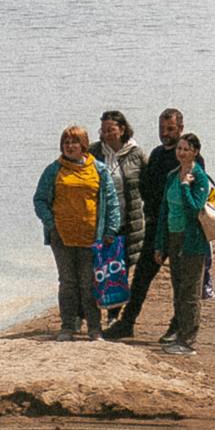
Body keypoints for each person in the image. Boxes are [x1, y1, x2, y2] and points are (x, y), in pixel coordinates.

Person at [34, 122, 120, 342]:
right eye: (66, 142)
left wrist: (111, 230)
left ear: (84, 146)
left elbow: (112, 202)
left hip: (92, 237)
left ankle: (94, 329)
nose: (69, 146)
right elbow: (40, 200)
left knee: (89, 283)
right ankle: (67, 327)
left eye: (74, 142)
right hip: (61, 237)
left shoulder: (98, 170)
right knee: (68, 283)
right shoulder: (54, 169)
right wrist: (51, 223)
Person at [106, 107, 185, 342]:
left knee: (181, 281)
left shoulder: (187, 153)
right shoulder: (157, 153)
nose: (165, 133)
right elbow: (146, 186)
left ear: (180, 128)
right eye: (162, 129)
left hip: (179, 227)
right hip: (154, 226)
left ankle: (178, 327)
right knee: (141, 277)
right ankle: (126, 323)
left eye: (170, 129)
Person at [155, 127, 215, 350]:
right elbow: (164, 211)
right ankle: (179, 333)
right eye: (179, 149)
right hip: (173, 236)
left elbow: (194, 209)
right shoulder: (172, 175)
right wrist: (160, 245)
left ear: (195, 152)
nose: (181, 153)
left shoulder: (199, 177)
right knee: (178, 289)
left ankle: (188, 342)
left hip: (193, 240)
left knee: (190, 291)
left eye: (186, 149)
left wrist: (185, 186)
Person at [96, 110, 146, 331]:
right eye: (103, 130)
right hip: (101, 223)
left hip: (130, 221)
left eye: (111, 129)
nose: (106, 134)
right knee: (96, 269)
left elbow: (149, 184)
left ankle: (113, 317)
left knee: (120, 271)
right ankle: (88, 314)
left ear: (122, 129)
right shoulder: (94, 153)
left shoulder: (136, 154)